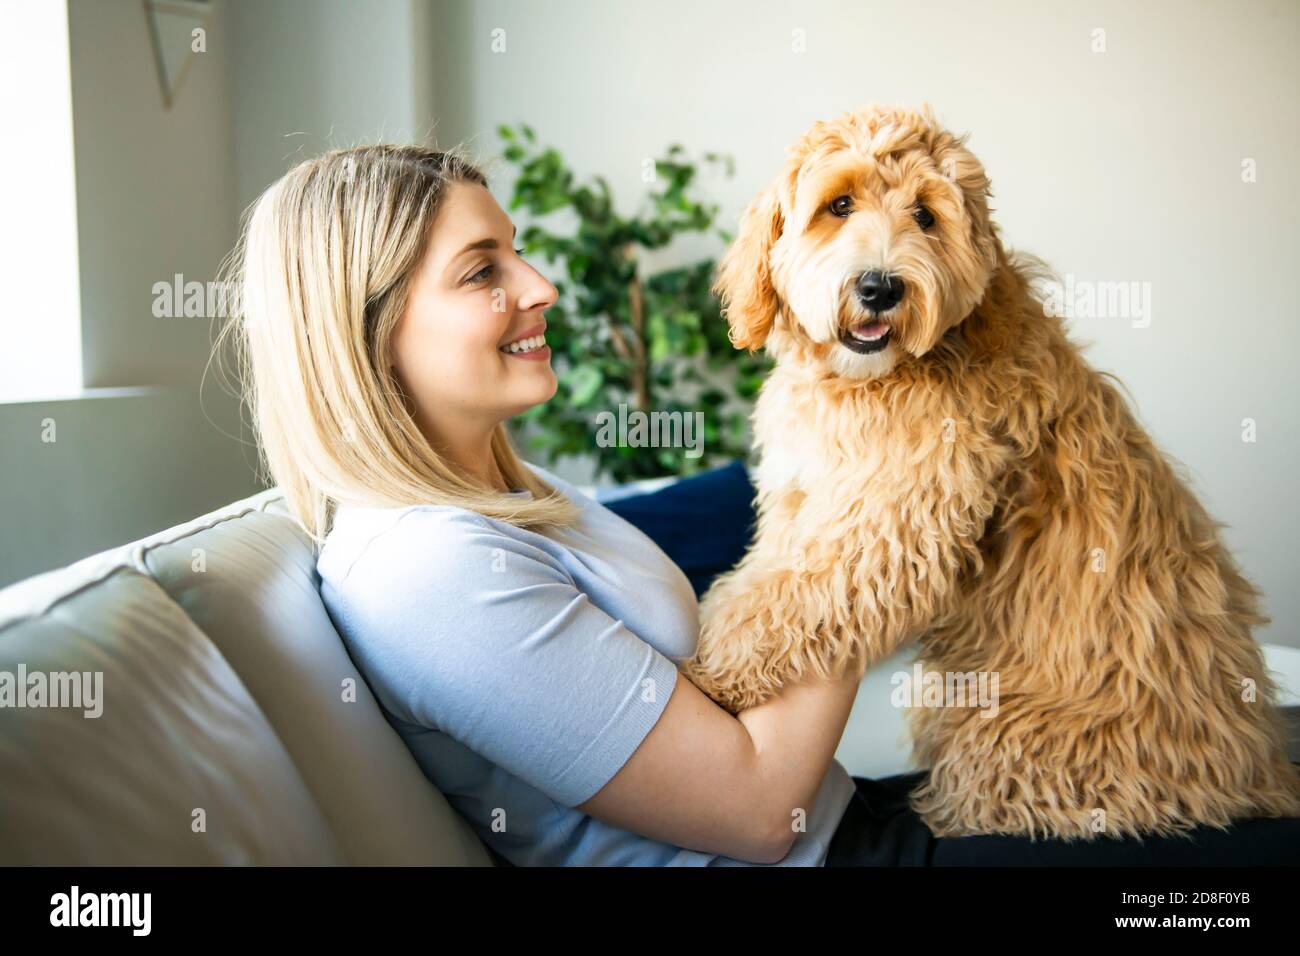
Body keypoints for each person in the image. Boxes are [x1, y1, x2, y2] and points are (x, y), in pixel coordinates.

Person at [218, 143, 1300, 866]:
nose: (540, 284)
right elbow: (757, 811)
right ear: (366, 329)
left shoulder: (509, 500)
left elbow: (731, 521)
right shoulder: (426, 573)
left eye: (518, 251)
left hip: (869, 818)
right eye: (482, 269)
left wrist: (933, 437)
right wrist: (888, 515)